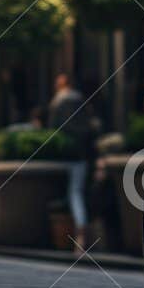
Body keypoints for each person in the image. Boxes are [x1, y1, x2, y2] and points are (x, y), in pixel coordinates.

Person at [47, 73, 97, 244]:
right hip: (81, 153)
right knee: (76, 191)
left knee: (72, 192)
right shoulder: (80, 101)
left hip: (63, 153)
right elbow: (90, 126)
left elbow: (52, 128)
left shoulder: (57, 102)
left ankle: (75, 232)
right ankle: (80, 230)